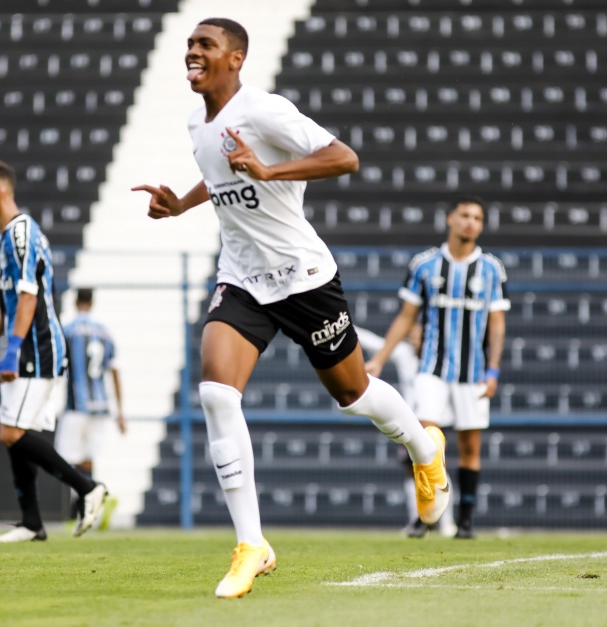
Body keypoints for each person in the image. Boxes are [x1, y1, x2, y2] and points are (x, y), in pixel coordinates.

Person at [131, 18, 450, 598]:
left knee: (353, 396)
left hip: (304, 278)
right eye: (190, 46)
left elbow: (344, 157)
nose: (193, 53)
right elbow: (220, 175)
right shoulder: (196, 123)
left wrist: (270, 170)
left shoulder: (265, 110)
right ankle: (252, 544)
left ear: (236, 57)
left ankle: (425, 450)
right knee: (216, 393)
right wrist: (181, 204)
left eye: (205, 45)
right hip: (243, 279)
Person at [0, 159, 108, 543]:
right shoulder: (3, 238)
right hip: (22, 342)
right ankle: (31, 522)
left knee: (11, 433)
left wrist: (11, 351)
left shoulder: (21, 232)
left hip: (36, 346)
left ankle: (88, 488)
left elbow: (28, 295)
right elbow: (8, 304)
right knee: (14, 429)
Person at [366, 195, 508, 540]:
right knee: (425, 441)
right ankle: (423, 517)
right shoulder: (425, 265)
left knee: (470, 447)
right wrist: (379, 359)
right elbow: (406, 317)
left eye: (477, 217)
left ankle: (466, 523)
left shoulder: (491, 269)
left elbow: (497, 323)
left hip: (472, 374)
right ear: (450, 219)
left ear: (481, 225)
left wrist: (493, 370)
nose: (470, 222)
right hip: (431, 370)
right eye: (464, 215)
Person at [357, 324, 456, 537]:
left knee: (438, 469)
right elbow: (375, 343)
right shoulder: (403, 354)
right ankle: (419, 520)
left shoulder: (441, 356)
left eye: (418, 337)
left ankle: (447, 522)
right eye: (412, 337)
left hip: (435, 421)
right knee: (411, 472)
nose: (415, 341)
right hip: (411, 423)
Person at [55, 288, 126, 529]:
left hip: (76, 406)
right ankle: (91, 505)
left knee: (67, 460)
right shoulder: (104, 332)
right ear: (92, 303)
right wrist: (120, 412)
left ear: (76, 303)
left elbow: (58, 366)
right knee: (87, 459)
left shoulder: (68, 330)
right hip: (100, 406)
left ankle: (81, 506)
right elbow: (114, 371)